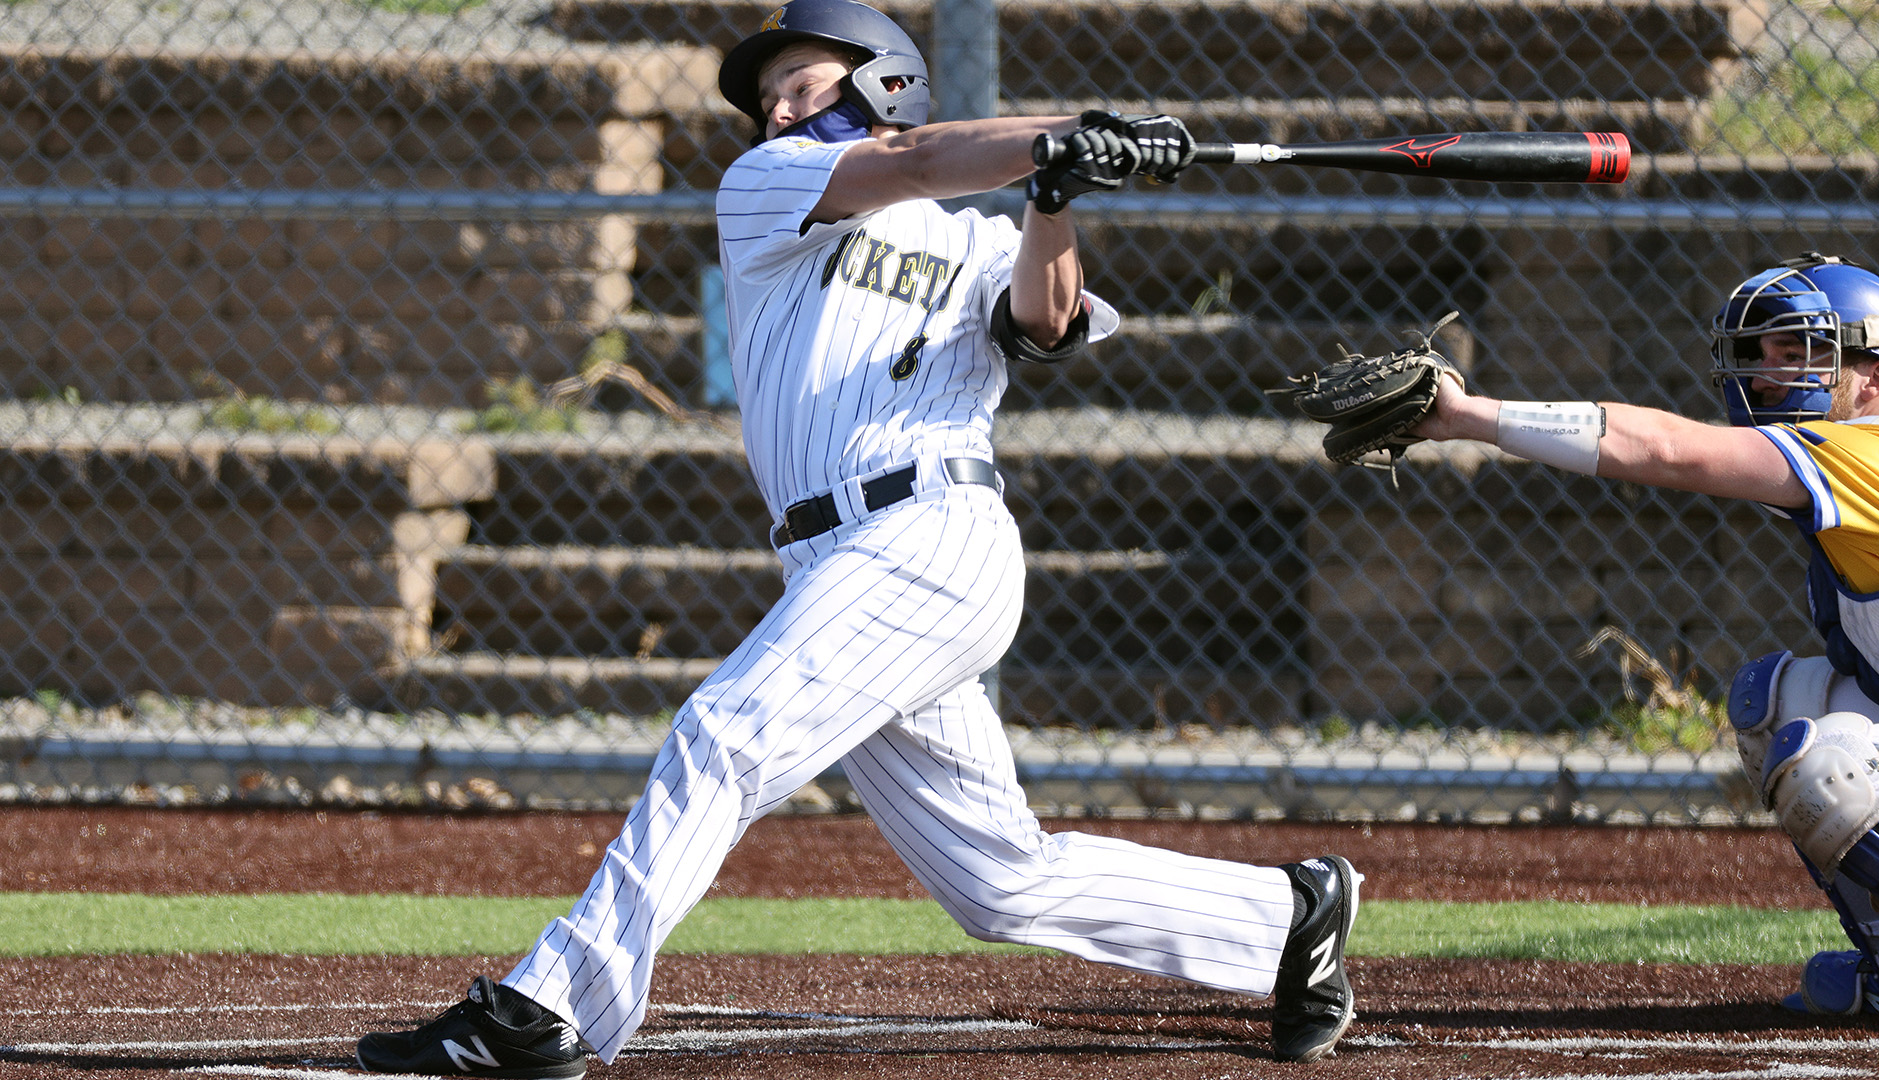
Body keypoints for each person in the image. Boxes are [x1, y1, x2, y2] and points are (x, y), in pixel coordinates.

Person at [353, 1, 1361, 1073]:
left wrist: (1054, 198)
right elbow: (921, 159)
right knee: (998, 882)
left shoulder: (977, 239)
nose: (779, 106)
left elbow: (1048, 322)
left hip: (934, 534)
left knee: (723, 737)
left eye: (803, 80)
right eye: (771, 93)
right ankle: (1286, 917)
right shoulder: (769, 188)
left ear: (884, 78)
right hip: (836, 562)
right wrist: (1065, 130)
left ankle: (548, 1008)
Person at [1406, 251, 1879, 1017]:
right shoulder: (1870, 450)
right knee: (1778, 702)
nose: (1768, 374)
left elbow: (1670, 449)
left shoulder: (1875, 456)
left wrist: (1468, 417)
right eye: (1760, 355)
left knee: (1836, 768)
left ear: (1877, 377)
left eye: (1799, 352)